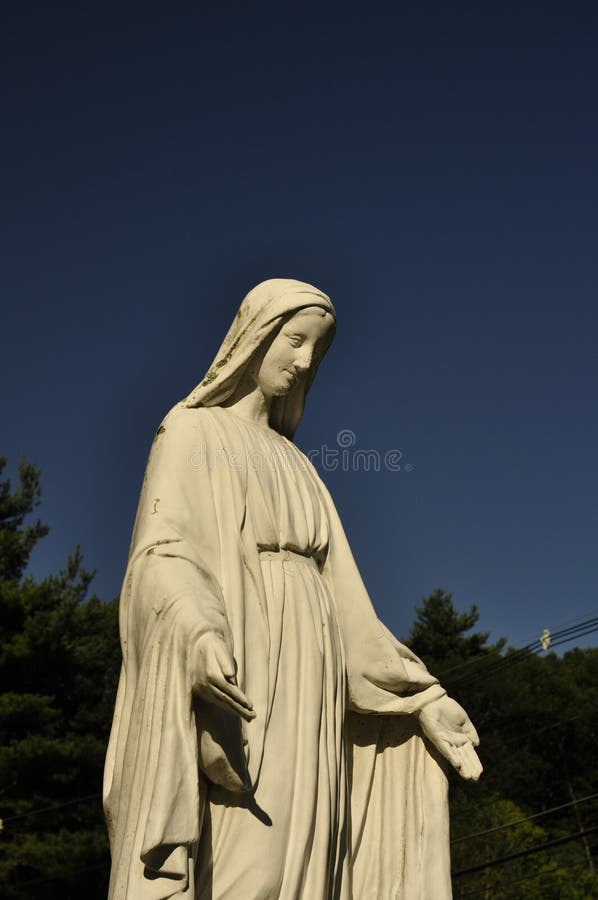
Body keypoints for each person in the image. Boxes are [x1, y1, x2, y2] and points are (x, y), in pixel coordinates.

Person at [104, 278, 481, 900]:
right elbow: (161, 553)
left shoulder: (301, 466)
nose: (305, 361)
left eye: (318, 351)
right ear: (255, 337)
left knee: (312, 857)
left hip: (317, 665)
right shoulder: (192, 431)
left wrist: (421, 699)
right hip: (248, 651)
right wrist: (197, 634)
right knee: (251, 855)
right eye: (295, 339)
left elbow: (351, 607)